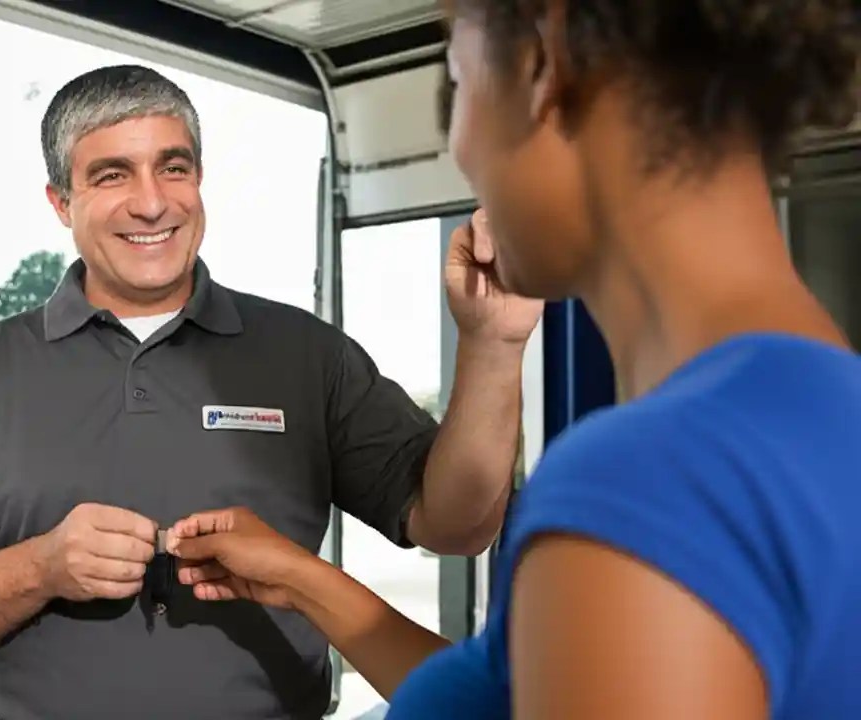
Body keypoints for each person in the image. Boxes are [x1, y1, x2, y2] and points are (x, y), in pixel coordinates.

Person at [165, 1, 861, 718]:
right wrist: (301, 578)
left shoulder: (653, 478)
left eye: (457, 84)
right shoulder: (822, 411)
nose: (461, 147)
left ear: (543, 61)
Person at [0, 64, 543, 719]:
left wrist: (492, 345)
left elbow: (459, 525)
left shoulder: (306, 352)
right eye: (112, 174)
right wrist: (42, 568)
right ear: (61, 202)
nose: (152, 201)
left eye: (173, 167)